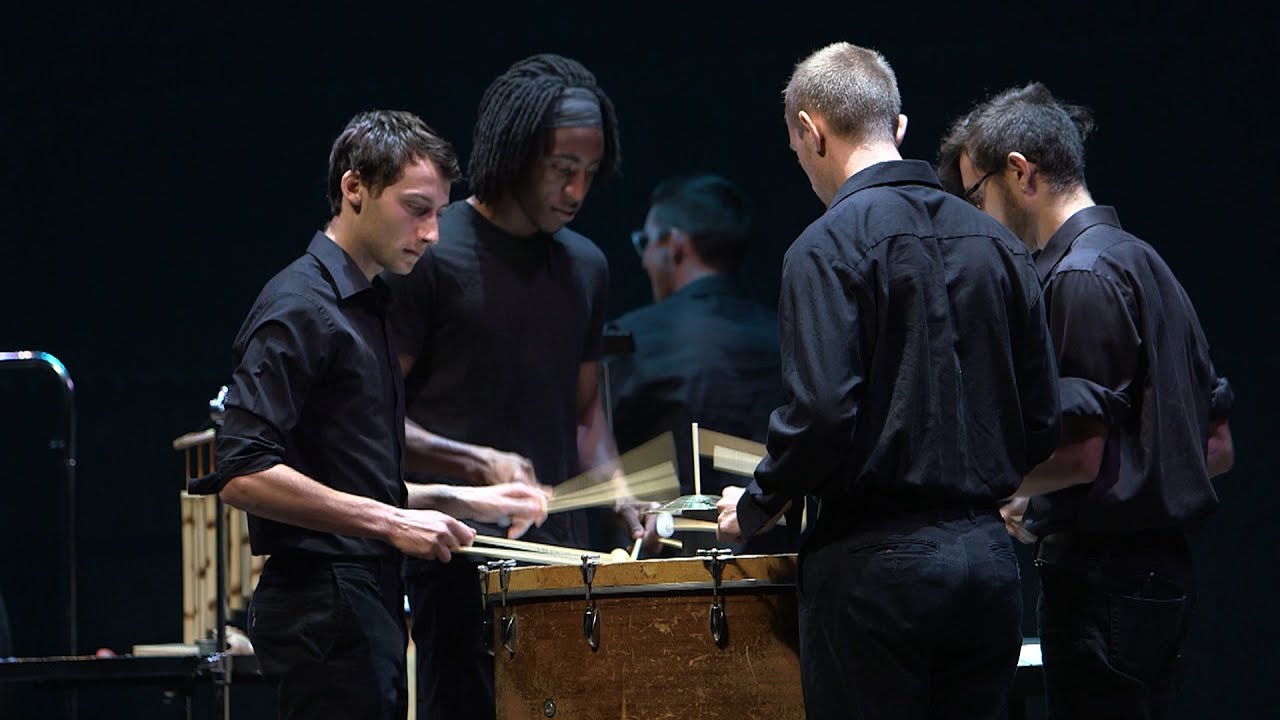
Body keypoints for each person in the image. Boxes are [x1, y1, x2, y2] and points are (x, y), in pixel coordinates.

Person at [715, 43, 1062, 719]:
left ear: (811, 131)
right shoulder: (998, 243)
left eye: (796, 149)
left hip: (877, 573)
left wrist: (757, 504)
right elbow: (1043, 418)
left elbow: (820, 416)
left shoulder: (825, 246)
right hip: (989, 568)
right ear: (895, 126)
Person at [209, 110, 548, 719]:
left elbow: (358, 481)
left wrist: (470, 500)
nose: (432, 233)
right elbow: (242, 471)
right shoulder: (300, 305)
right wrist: (392, 523)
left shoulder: (368, 308)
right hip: (323, 601)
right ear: (354, 187)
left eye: (439, 213)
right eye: (417, 208)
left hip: (362, 597)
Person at [937, 82, 1235, 720]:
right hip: (1157, 582)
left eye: (976, 195)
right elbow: (1215, 447)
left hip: (1104, 586)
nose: (975, 216)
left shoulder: (1078, 276)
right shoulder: (1146, 263)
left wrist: (984, 489)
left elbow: (1079, 456)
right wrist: (1037, 495)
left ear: (1019, 173)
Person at [382, 54, 625, 719]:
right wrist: (475, 461)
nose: (577, 192)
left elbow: (584, 416)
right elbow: (375, 420)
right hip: (457, 557)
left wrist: (623, 492)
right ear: (516, 154)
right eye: (562, 171)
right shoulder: (430, 253)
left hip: (563, 559)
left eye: (589, 174)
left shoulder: (587, 266)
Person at [606, 173, 790, 554]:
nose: (642, 260)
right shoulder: (786, 336)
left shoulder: (634, 337)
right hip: (779, 570)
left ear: (674, 245)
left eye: (645, 241)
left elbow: (595, 443)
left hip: (669, 573)